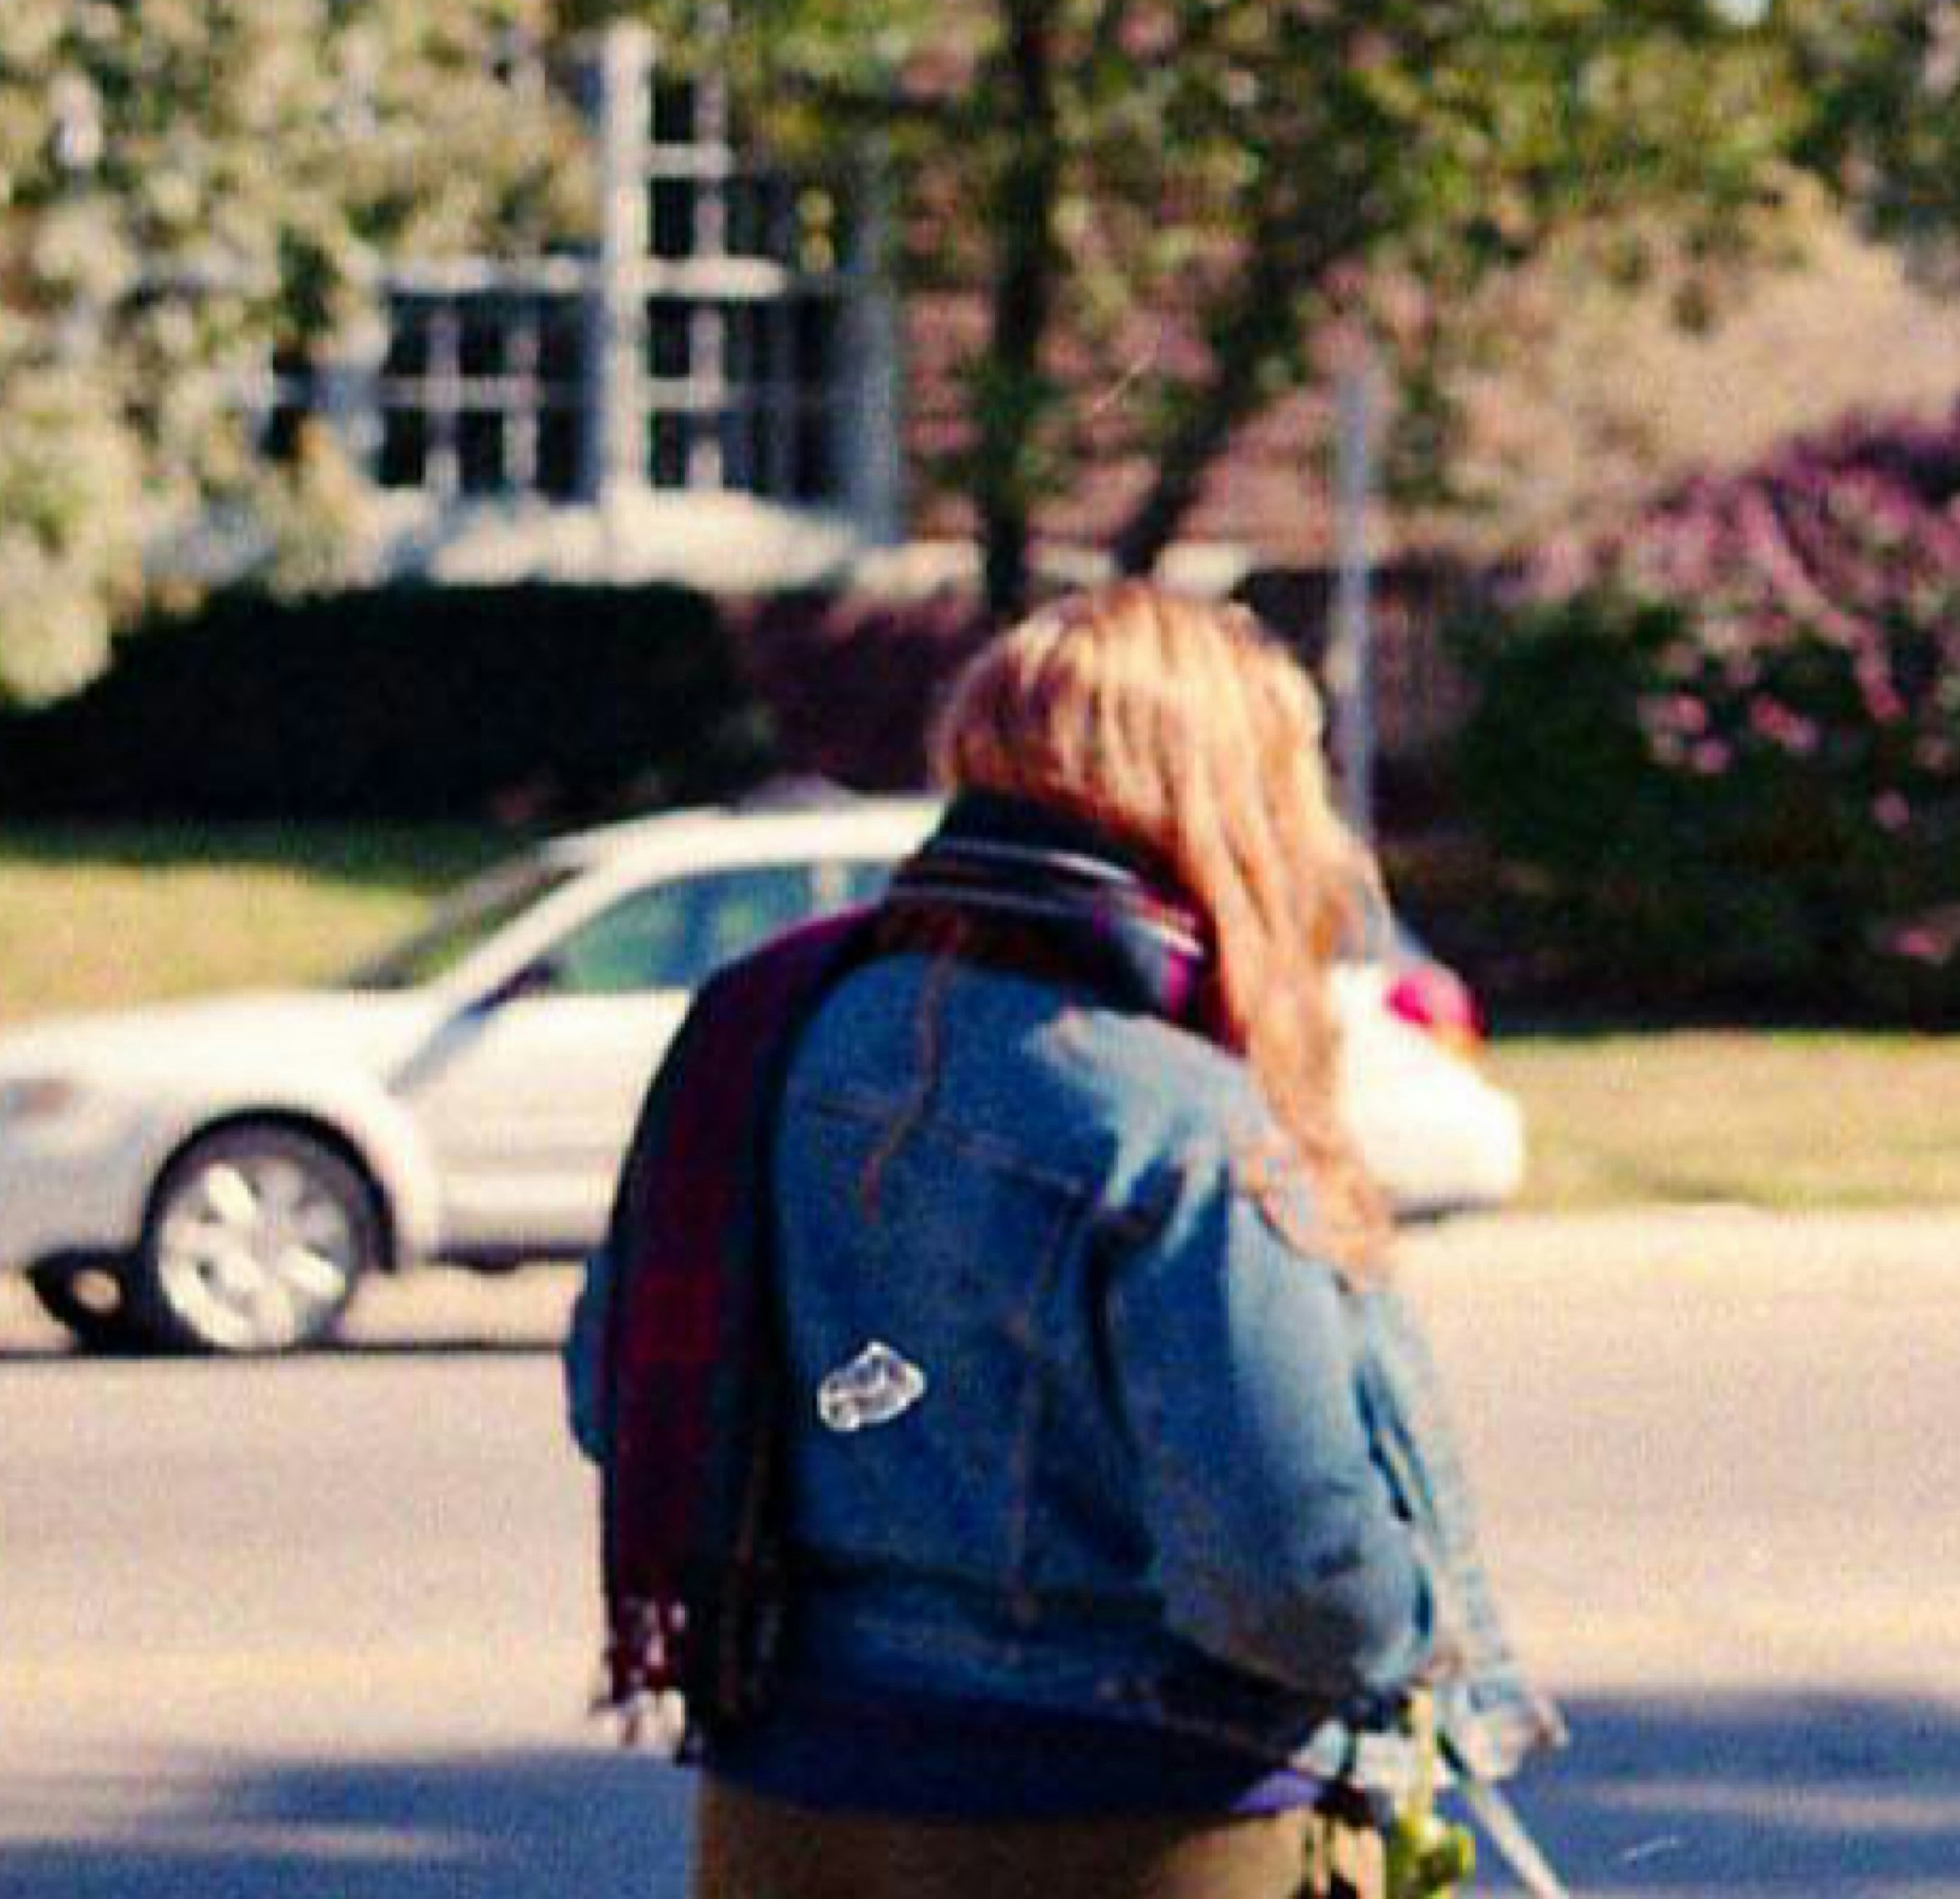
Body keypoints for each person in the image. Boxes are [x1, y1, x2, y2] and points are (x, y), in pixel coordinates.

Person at [574, 587, 1546, 1899]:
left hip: (789, 1807)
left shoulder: (760, 1037)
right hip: (1140, 1818)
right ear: (1217, 805)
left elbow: (612, 1389)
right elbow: (1287, 1580)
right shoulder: (1180, 1124)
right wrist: (1421, 1635)